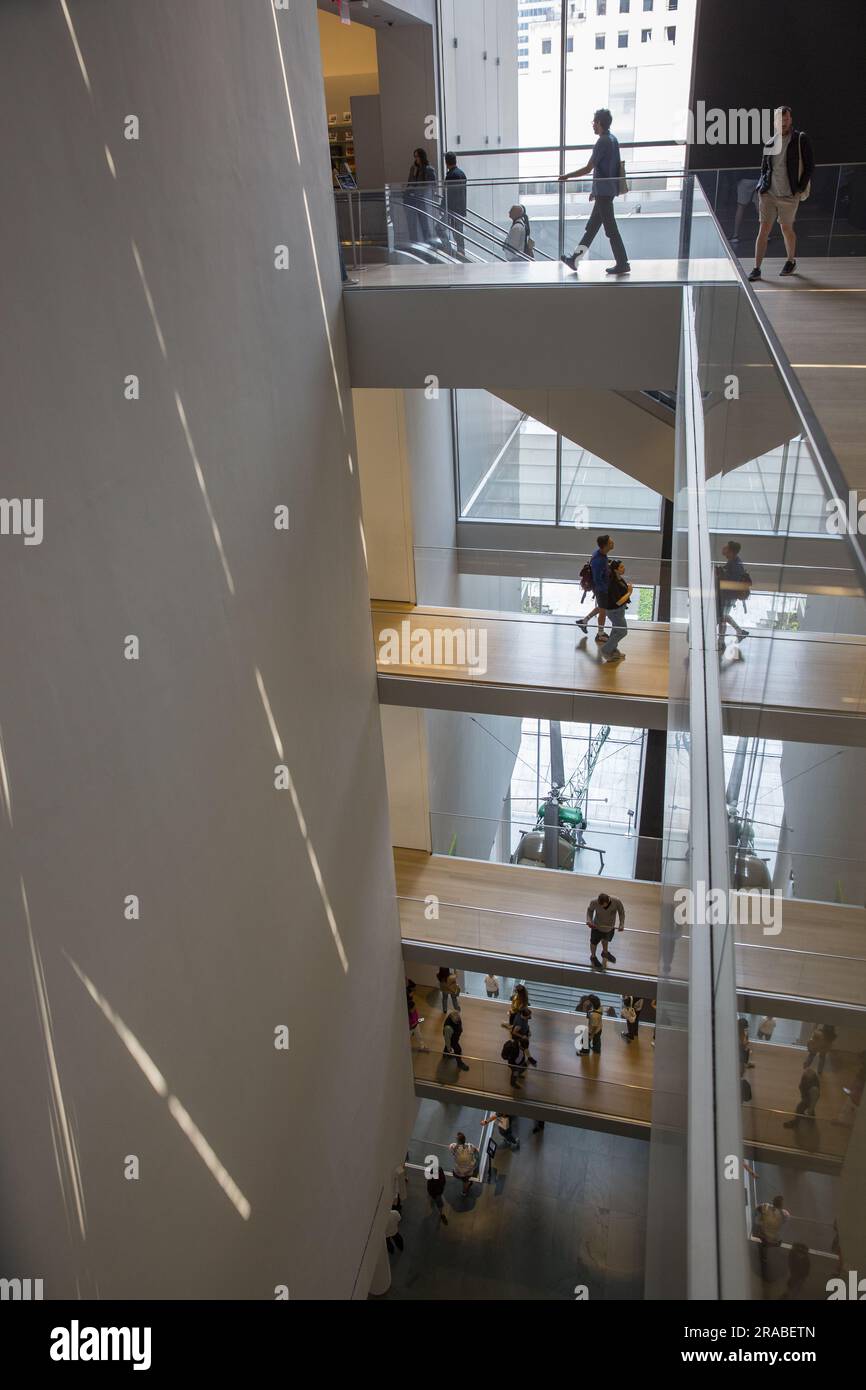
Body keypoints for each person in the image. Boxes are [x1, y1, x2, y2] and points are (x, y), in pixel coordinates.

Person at [559, 108, 629, 276]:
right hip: (606, 191)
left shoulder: (602, 142)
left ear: (599, 123)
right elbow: (607, 168)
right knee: (591, 229)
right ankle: (575, 259)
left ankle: (622, 262)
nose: (593, 126)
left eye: (594, 123)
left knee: (611, 230)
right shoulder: (613, 140)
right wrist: (595, 190)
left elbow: (589, 168)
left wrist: (566, 176)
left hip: (604, 193)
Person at [749, 107, 814, 281]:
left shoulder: (800, 139)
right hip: (769, 193)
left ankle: (791, 261)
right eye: (780, 120)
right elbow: (765, 168)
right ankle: (756, 268)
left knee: (786, 228)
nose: (783, 123)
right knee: (763, 229)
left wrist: (799, 188)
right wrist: (761, 187)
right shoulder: (770, 142)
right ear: (775, 122)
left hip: (789, 194)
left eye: (786, 119)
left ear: (790, 120)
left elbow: (809, 166)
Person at [576, 534, 615, 642]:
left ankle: (584, 621)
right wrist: (605, 588)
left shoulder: (601, 554)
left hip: (601, 588)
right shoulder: (599, 560)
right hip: (601, 589)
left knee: (602, 608)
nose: (613, 543)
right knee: (603, 611)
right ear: (605, 545)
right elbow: (597, 578)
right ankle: (600, 634)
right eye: (611, 542)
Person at [716, 541, 750, 647]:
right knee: (723, 617)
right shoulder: (733, 561)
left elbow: (732, 581)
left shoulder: (735, 563)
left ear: (730, 551)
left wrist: (721, 574)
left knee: (722, 617)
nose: (723, 548)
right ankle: (739, 632)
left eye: (726, 547)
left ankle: (722, 641)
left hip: (728, 595)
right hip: (728, 595)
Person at [600, 559, 633, 664]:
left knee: (616, 631)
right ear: (615, 570)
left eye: (623, 566)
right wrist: (629, 592)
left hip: (619, 610)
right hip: (615, 611)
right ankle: (606, 650)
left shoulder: (619, 579)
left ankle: (613, 650)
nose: (624, 568)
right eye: (621, 567)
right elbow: (618, 602)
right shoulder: (613, 583)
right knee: (622, 631)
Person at [585, 889, 626, 968]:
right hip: (596, 927)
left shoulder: (616, 901)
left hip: (609, 927)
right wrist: (589, 921)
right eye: (600, 905)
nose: (602, 907)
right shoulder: (594, 902)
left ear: (608, 901)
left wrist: (621, 924)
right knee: (594, 942)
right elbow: (589, 911)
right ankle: (593, 957)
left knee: (605, 939)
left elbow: (621, 912)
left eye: (603, 905)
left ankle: (605, 952)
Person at [753, 1193, 790, 1280]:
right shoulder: (784, 1214)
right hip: (774, 1240)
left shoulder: (765, 1207)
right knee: (771, 1257)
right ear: (781, 1205)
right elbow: (786, 1220)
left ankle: (763, 1268)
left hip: (764, 1238)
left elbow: (756, 1209)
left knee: (764, 1256)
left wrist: (760, 1220)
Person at [405, 146, 437, 244]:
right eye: (414, 157)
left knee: (425, 223)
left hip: (423, 200)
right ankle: (416, 243)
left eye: (417, 157)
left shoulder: (429, 169)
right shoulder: (413, 168)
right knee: (413, 224)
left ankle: (427, 242)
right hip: (414, 201)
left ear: (422, 157)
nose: (416, 159)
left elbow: (432, 185)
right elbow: (409, 183)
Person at [442, 151, 468, 257]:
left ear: (446, 162)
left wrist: (443, 206)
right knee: (458, 232)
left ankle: (449, 250)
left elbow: (449, 194)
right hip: (460, 209)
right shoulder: (461, 173)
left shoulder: (451, 176)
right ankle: (461, 252)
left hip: (452, 210)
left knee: (439, 228)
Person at [407, 983, 429, 1052]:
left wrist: (419, 1020)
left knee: (419, 1036)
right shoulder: (407, 1016)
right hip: (411, 1028)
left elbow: (416, 1017)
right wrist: (417, 1022)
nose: (414, 1008)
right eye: (413, 1008)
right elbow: (410, 1024)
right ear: (409, 1009)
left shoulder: (414, 1011)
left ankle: (422, 1046)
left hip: (416, 1025)